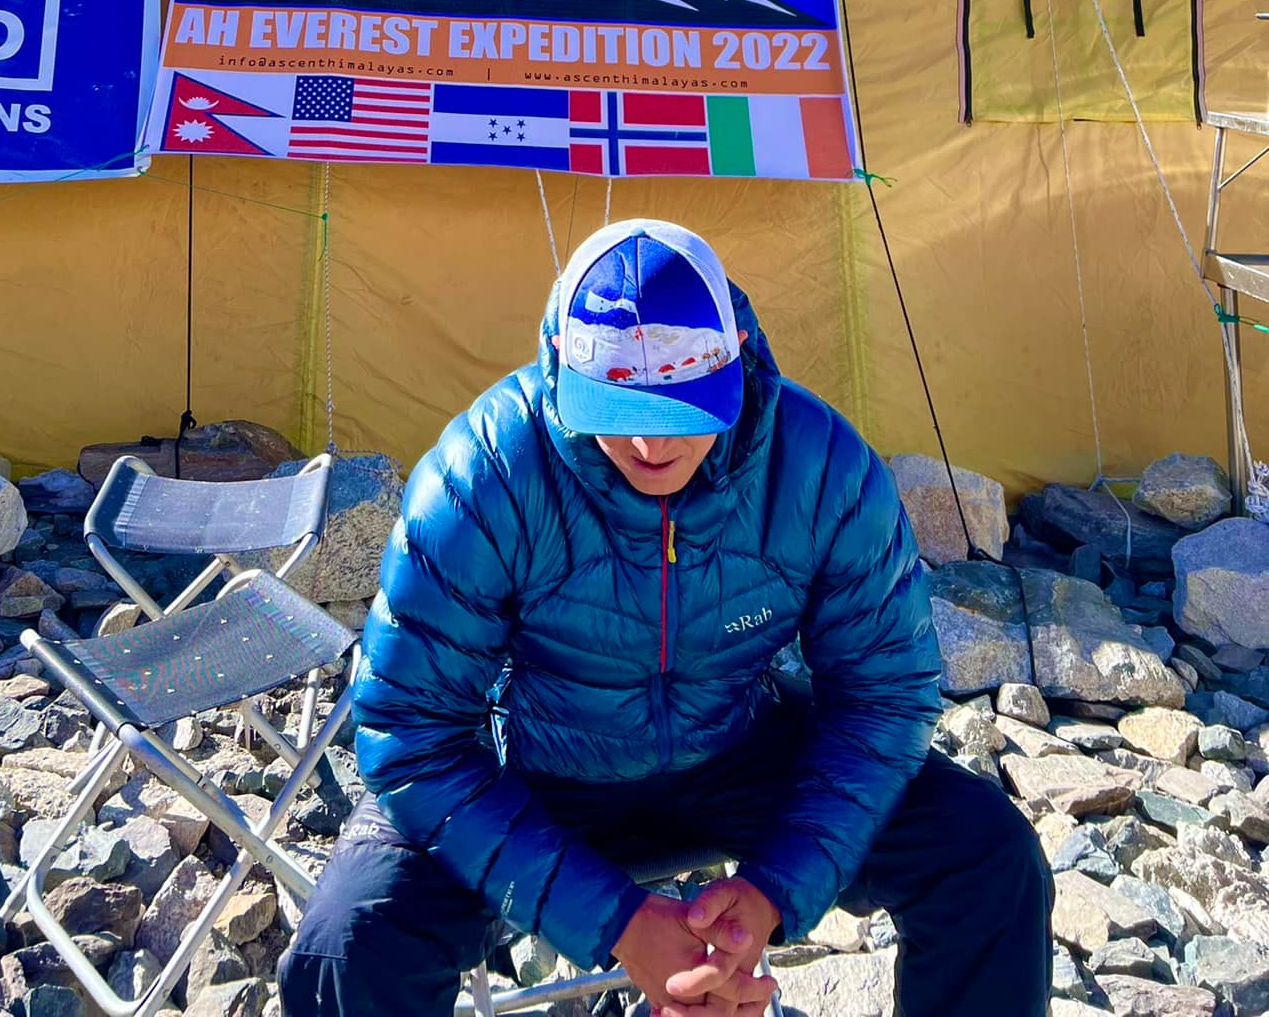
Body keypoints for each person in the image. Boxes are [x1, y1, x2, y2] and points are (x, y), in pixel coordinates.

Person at [279, 218, 1052, 1016]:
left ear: (739, 360)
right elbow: (412, 733)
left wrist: (776, 889)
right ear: (561, 377)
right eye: (613, 406)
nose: (650, 442)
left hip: (731, 742)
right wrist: (618, 923)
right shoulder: (485, 479)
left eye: (684, 406)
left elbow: (885, 695)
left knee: (988, 858)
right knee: (349, 942)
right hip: (540, 759)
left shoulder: (820, 469)